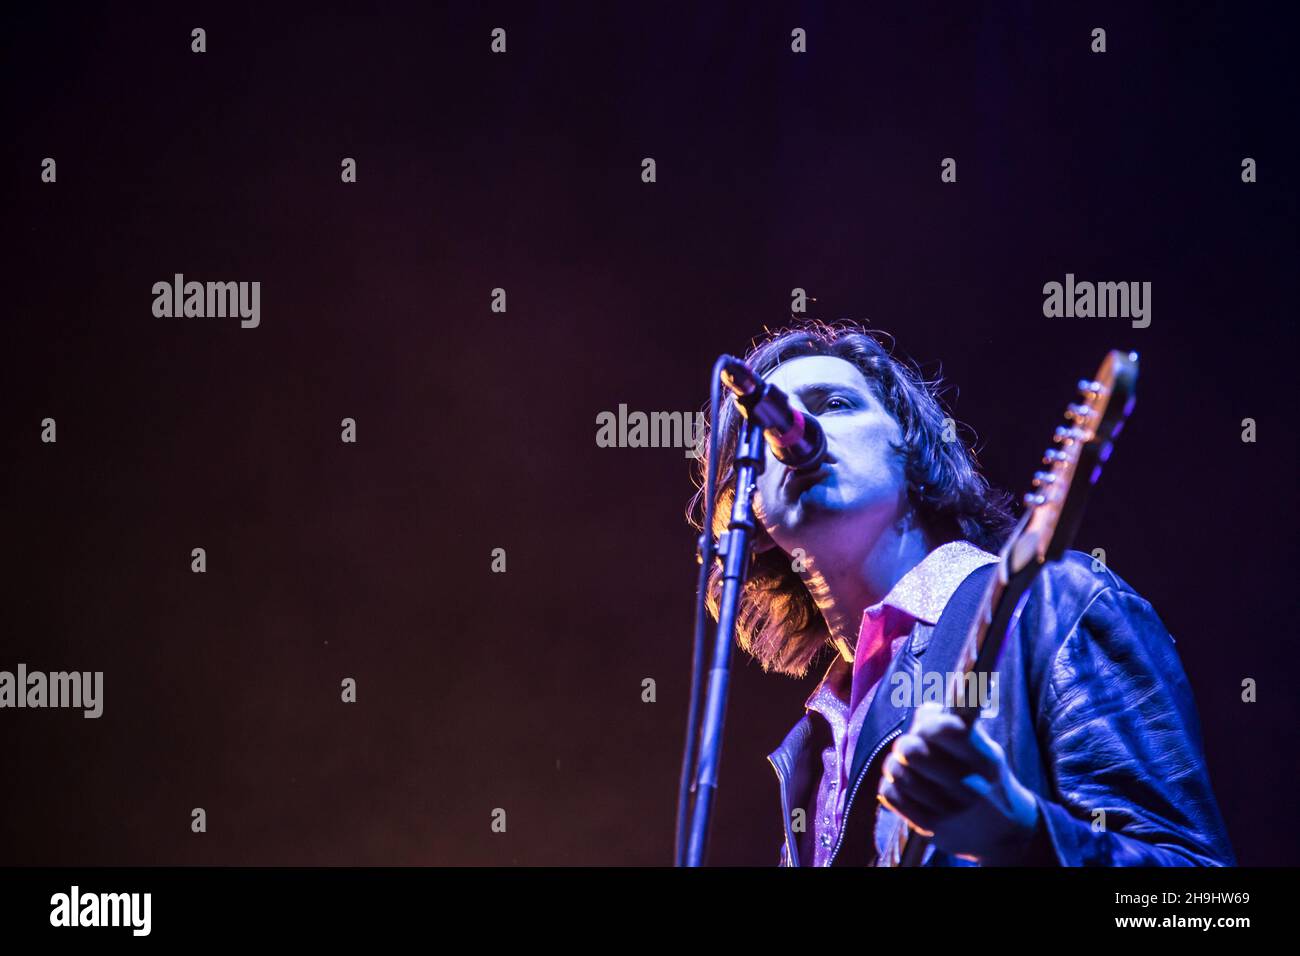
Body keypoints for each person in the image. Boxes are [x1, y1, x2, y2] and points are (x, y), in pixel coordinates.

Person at [686, 320, 1234, 866]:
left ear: (909, 443)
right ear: (749, 513)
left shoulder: (1055, 607)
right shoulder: (814, 748)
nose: (795, 427)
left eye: (834, 403)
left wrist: (1022, 836)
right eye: (764, 426)